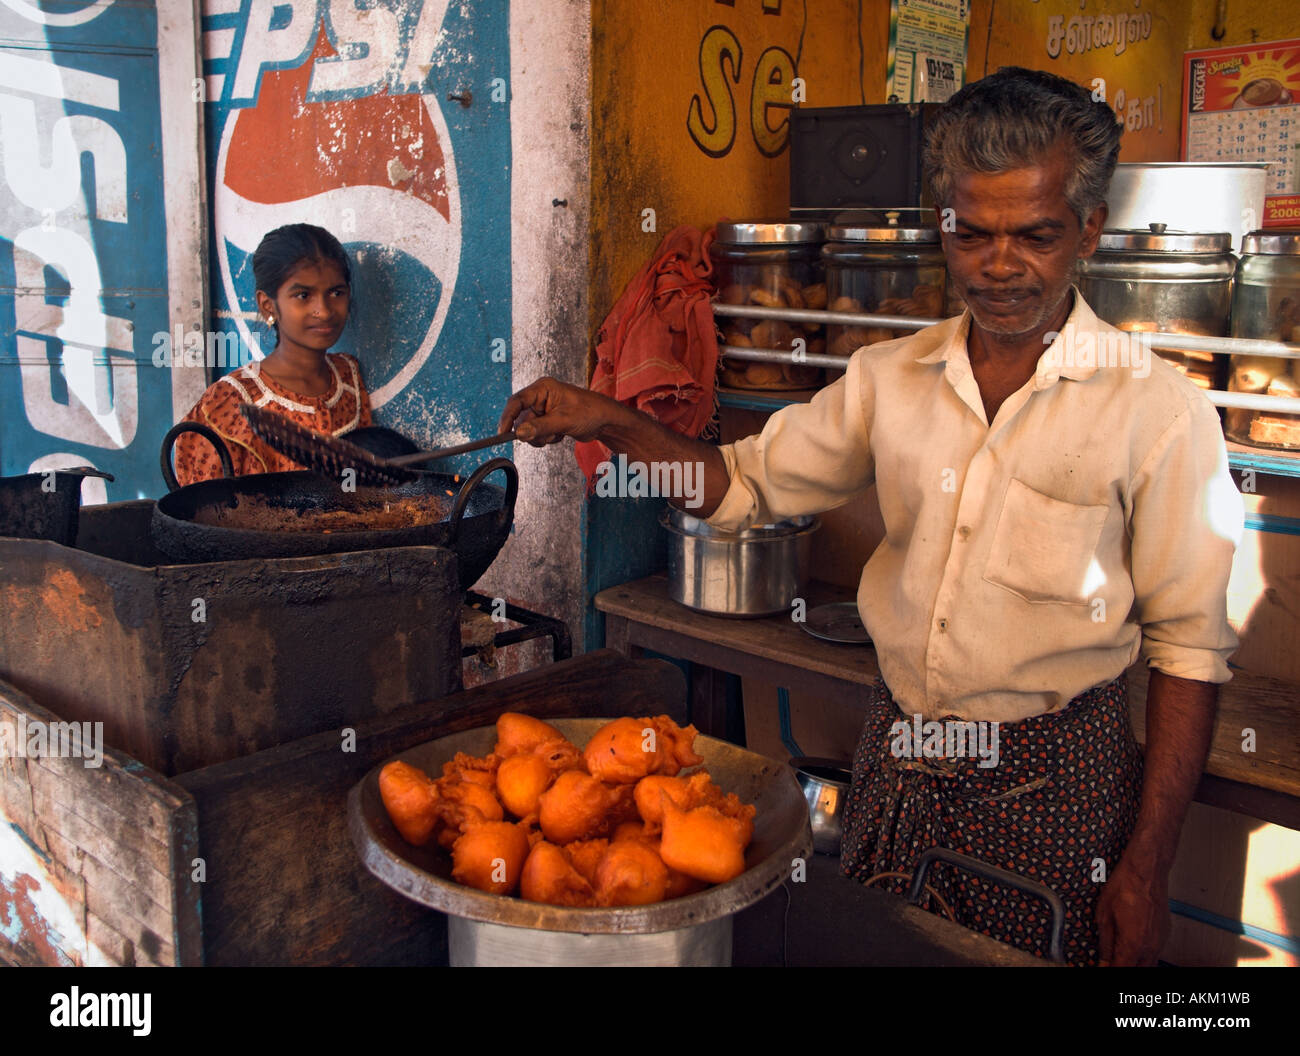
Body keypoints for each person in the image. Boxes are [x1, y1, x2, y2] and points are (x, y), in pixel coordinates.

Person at [497, 67, 1242, 967]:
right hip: (899, 761)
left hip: (1054, 792)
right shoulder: (892, 379)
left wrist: (1146, 866)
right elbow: (741, 487)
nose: (999, 265)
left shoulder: (1158, 412)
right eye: (973, 234)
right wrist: (608, 417)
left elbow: (1188, 656)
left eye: (1035, 236)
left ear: (1089, 230)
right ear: (944, 226)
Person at [171, 223, 370, 486]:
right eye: (303, 295)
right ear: (268, 306)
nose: (323, 310)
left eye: (336, 293)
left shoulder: (348, 378)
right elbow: (203, 513)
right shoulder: (230, 403)